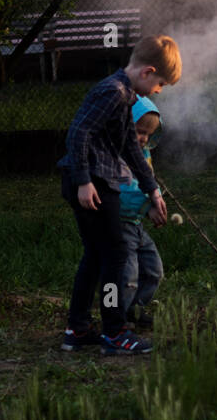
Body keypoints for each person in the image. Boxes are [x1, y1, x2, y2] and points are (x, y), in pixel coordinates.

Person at [57, 34, 181, 355]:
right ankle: (115, 332)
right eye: (160, 84)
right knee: (114, 258)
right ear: (147, 72)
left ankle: (77, 329)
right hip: (93, 184)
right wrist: (84, 181)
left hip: (98, 182)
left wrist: (153, 190)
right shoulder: (112, 93)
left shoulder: (124, 95)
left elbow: (129, 146)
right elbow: (78, 133)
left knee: (96, 257)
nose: (157, 91)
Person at [118, 97, 165, 330]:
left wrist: (156, 202)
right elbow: (124, 192)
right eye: (139, 131)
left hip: (137, 223)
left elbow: (147, 184)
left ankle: (136, 309)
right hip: (121, 223)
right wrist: (147, 207)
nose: (143, 138)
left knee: (153, 269)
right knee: (128, 274)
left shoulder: (144, 154)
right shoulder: (118, 156)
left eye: (148, 134)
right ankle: (119, 316)